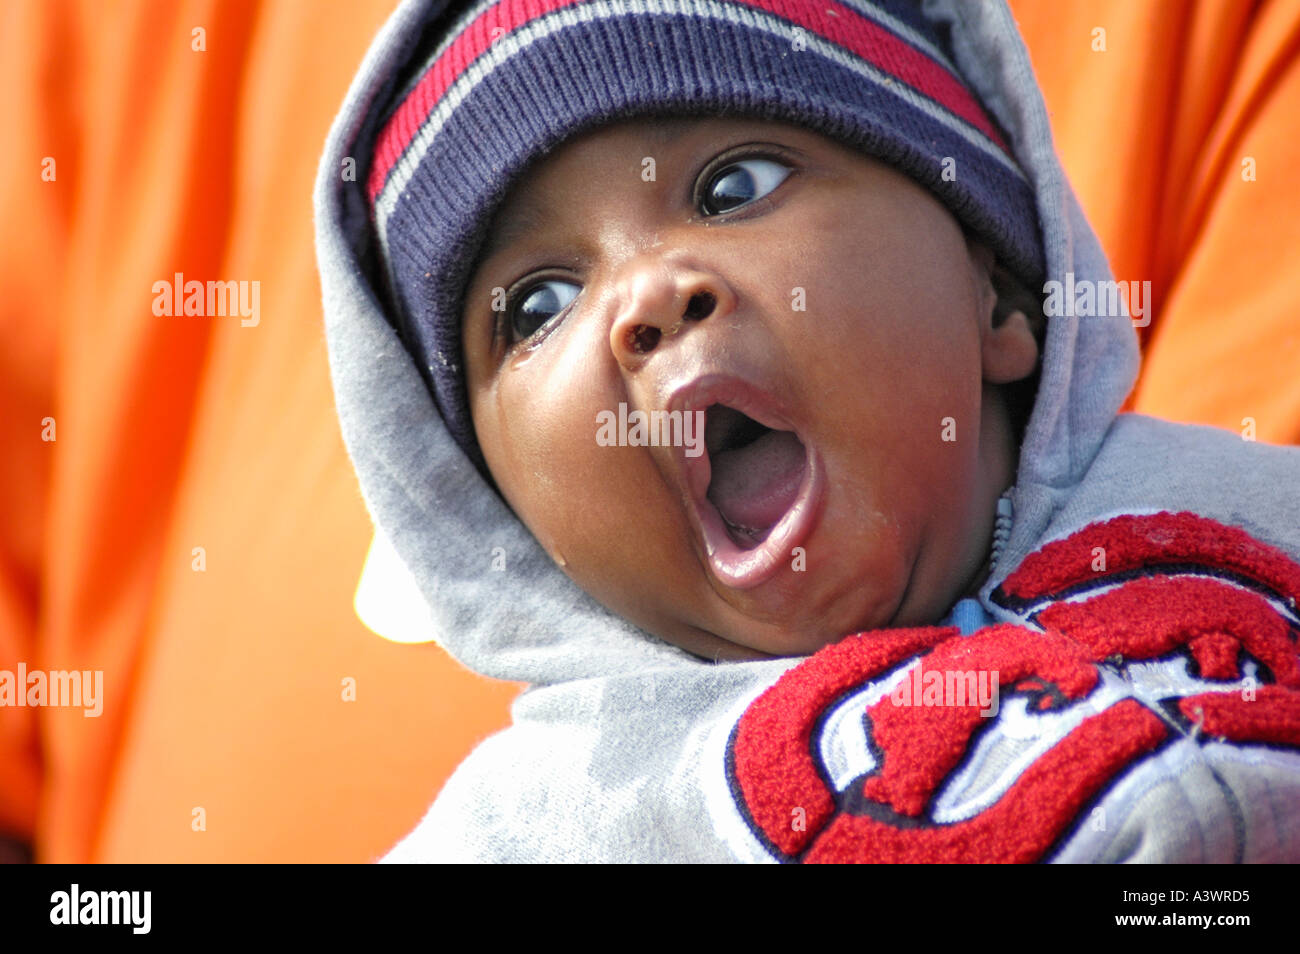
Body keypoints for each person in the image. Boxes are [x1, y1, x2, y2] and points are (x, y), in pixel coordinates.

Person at [315, 0, 1300, 861]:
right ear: (511, 523)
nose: (646, 297)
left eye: (734, 186)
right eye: (536, 306)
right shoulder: (556, 820)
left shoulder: (1252, 508)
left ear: (996, 291)